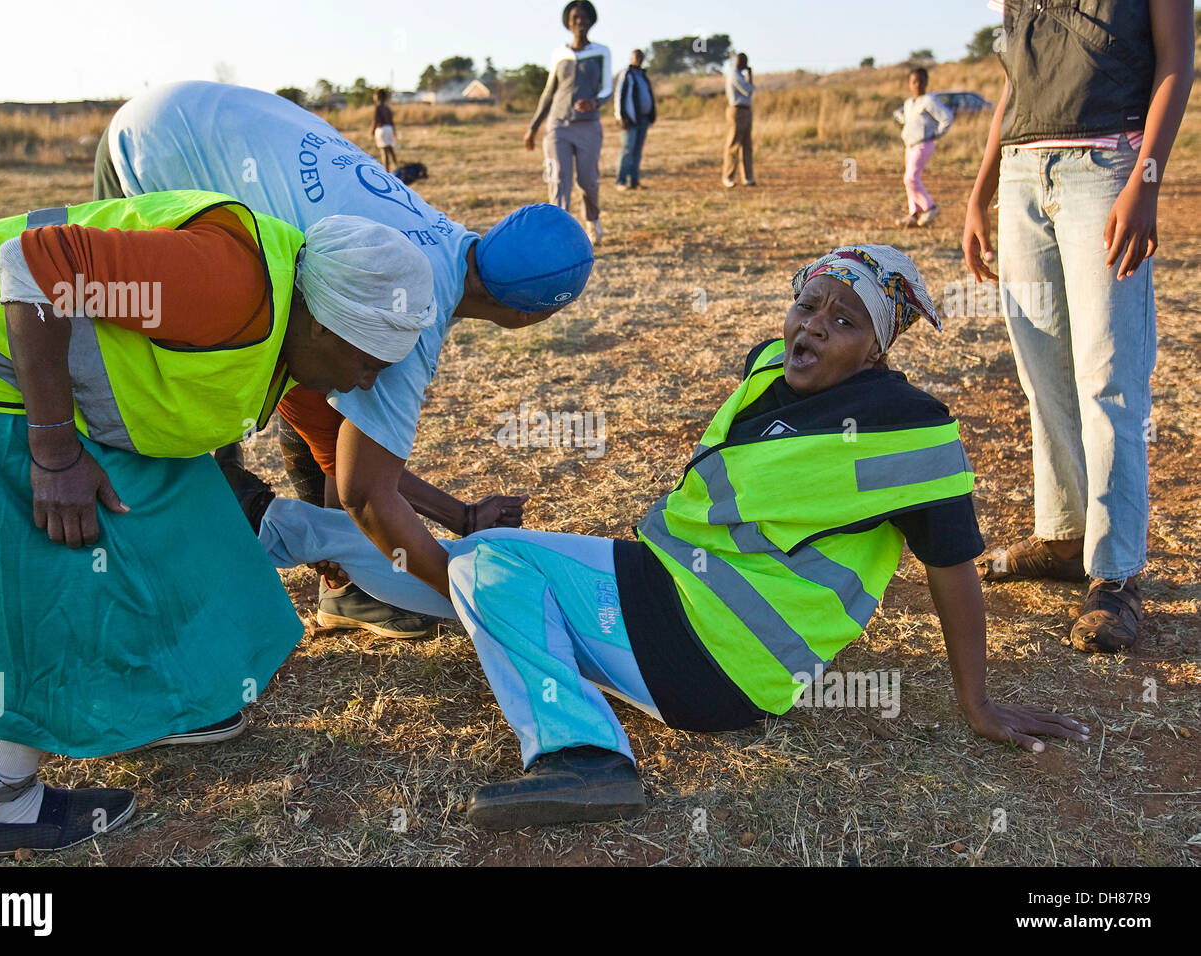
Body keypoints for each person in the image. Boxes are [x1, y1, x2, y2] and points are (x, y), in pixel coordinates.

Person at [257, 245, 1092, 830]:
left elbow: (952, 569)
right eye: (808, 303)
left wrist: (975, 702)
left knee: (485, 568)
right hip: (660, 588)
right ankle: (281, 530)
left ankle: (583, 755)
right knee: (480, 578)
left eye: (841, 322)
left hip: (718, 664)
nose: (811, 325)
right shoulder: (769, 364)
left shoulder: (910, 431)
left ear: (877, 350)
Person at [0, 189, 438, 857]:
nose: (365, 384)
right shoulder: (230, 283)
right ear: (326, 329)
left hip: (26, 373)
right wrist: (53, 449)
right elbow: (31, 268)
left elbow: (205, 392)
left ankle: (156, 703)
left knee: (189, 535)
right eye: (367, 364)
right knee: (74, 573)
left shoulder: (290, 324)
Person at [95, 81, 595, 637]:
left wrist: (460, 517)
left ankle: (336, 579)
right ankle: (196, 550)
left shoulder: (440, 242)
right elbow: (365, 495)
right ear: (532, 316)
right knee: (165, 384)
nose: (370, 376)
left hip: (198, 113)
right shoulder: (408, 310)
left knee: (318, 381)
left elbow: (348, 448)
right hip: (152, 156)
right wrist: (468, 597)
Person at [963, 0, 1194, 652]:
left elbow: (1178, 58)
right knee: (1045, 377)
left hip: (1108, 166)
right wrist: (981, 193)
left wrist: (1147, 180)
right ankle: (1064, 537)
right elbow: (1017, 79)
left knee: (1108, 378)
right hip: (1021, 174)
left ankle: (1115, 575)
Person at [525, 1, 613, 244]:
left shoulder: (601, 51)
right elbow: (549, 92)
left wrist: (594, 103)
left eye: (584, 17)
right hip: (557, 125)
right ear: (568, 22)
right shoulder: (559, 54)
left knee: (588, 181)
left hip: (588, 126)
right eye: (575, 17)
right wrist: (533, 128)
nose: (579, 22)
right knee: (558, 179)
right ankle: (559, 233)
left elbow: (607, 89)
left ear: (591, 21)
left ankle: (592, 221)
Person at [896, 67, 953, 227]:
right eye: (914, 81)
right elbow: (910, 121)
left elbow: (947, 117)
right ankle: (914, 214)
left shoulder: (929, 101)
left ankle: (930, 207)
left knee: (910, 178)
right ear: (909, 84)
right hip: (909, 145)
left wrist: (937, 134)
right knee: (910, 179)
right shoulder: (908, 103)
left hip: (924, 143)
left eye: (921, 81)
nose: (917, 84)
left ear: (926, 82)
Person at [614, 49, 656, 191]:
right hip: (630, 119)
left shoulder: (643, 75)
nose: (638, 59)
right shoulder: (626, 74)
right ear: (631, 57)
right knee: (627, 150)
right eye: (636, 56)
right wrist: (621, 117)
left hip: (643, 119)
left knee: (637, 152)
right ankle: (621, 181)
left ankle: (634, 181)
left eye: (640, 56)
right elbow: (619, 96)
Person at [722, 52, 755, 188]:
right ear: (737, 62)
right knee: (734, 144)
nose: (745, 64)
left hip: (746, 110)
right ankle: (728, 177)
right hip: (737, 110)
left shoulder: (740, 75)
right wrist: (750, 75)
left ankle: (747, 177)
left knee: (747, 145)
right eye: (743, 61)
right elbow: (748, 90)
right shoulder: (734, 75)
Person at [372, 89, 397, 172]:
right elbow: (392, 121)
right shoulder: (387, 108)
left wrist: (372, 131)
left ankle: (387, 171)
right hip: (389, 128)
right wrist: (394, 132)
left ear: (377, 97)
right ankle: (396, 168)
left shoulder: (377, 108)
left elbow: (375, 121)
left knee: (384, 152)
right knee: (391, 150)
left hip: (381, 129)